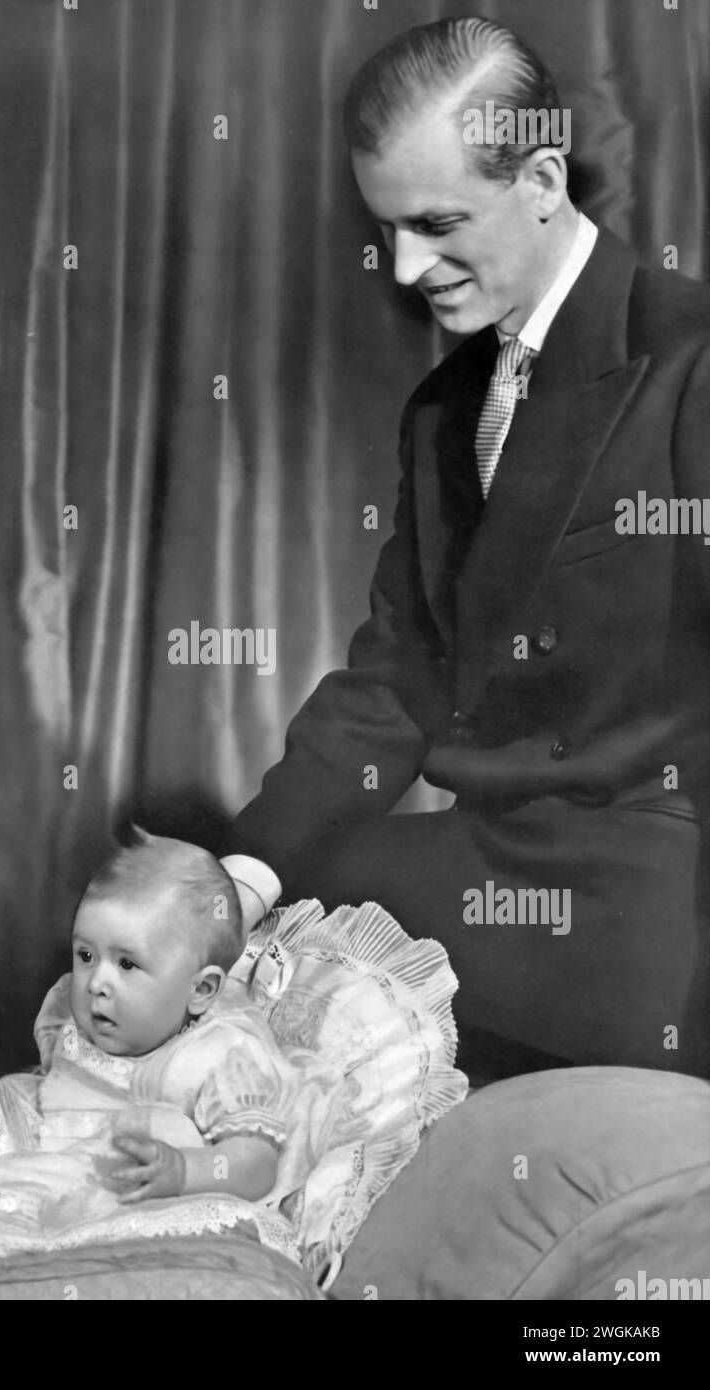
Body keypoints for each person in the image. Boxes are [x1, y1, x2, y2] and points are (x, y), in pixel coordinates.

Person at [221, 16, 710, 1082]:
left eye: (437, 223)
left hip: (654, 907)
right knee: (179, 947)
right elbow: (397, 679)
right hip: (485, 873)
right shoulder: (445, 408)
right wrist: (237, 882)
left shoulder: (692, 359)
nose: (406, 267)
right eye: (388, 229)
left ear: (542, 178)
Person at [0, 830, 299, 1263]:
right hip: (47, 1130)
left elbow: (256, 1164)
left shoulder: (222, 1053)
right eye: (86, 955)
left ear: (201, 990)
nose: (97, 983)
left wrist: (184, 1170)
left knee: (106, 1181)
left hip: (120, 1169)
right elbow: (52, 1082)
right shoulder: (71, 1008)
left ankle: (18, 1232)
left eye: (127, 965)